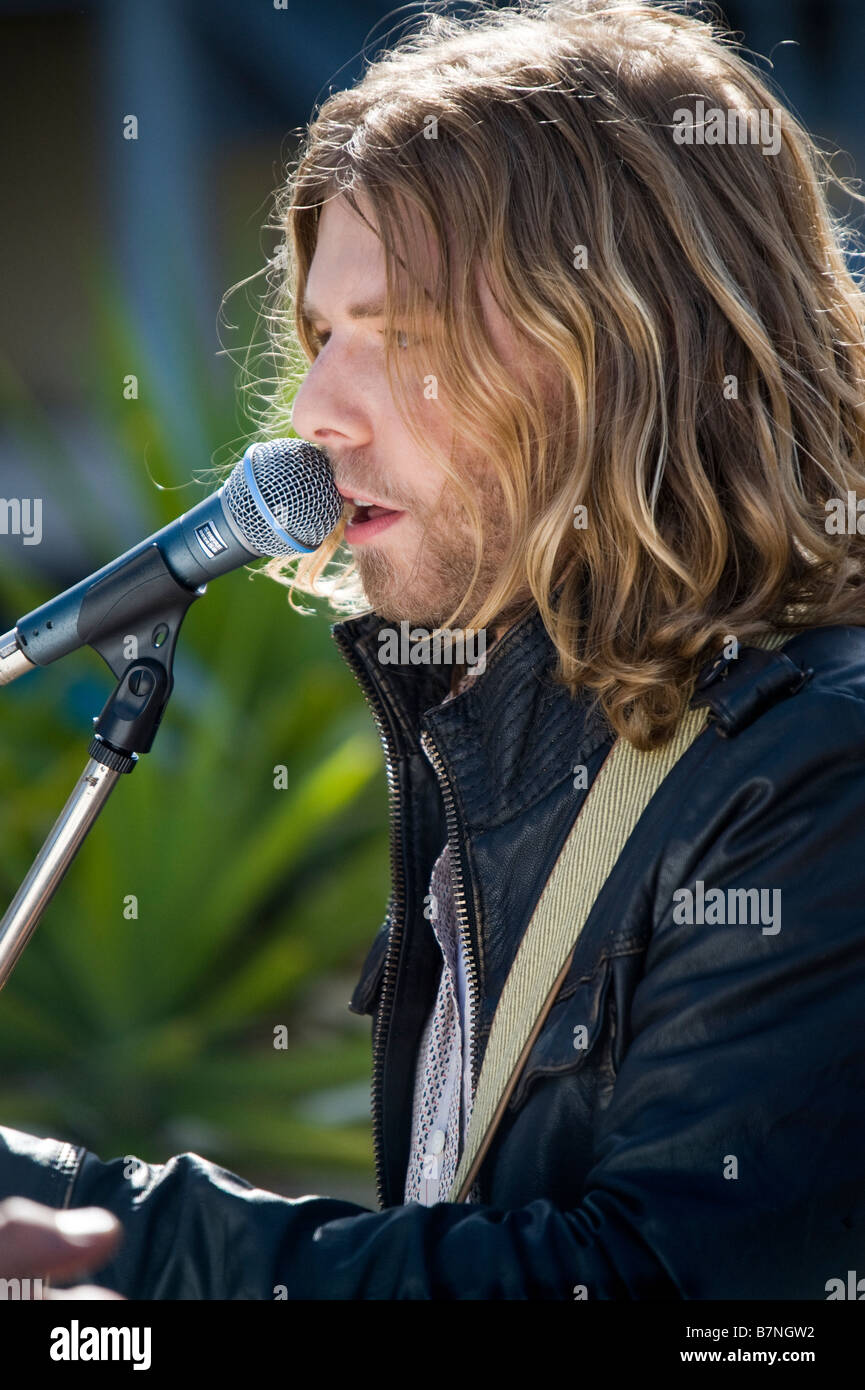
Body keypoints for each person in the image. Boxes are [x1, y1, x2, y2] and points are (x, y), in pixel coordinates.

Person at [2, 0, 865, 1299]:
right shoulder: (512, 744)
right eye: (323, 333)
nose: (308, 413)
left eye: (400, 336)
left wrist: (93, 1227)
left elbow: (641, 1287)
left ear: (624, 349)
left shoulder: (820, 773)